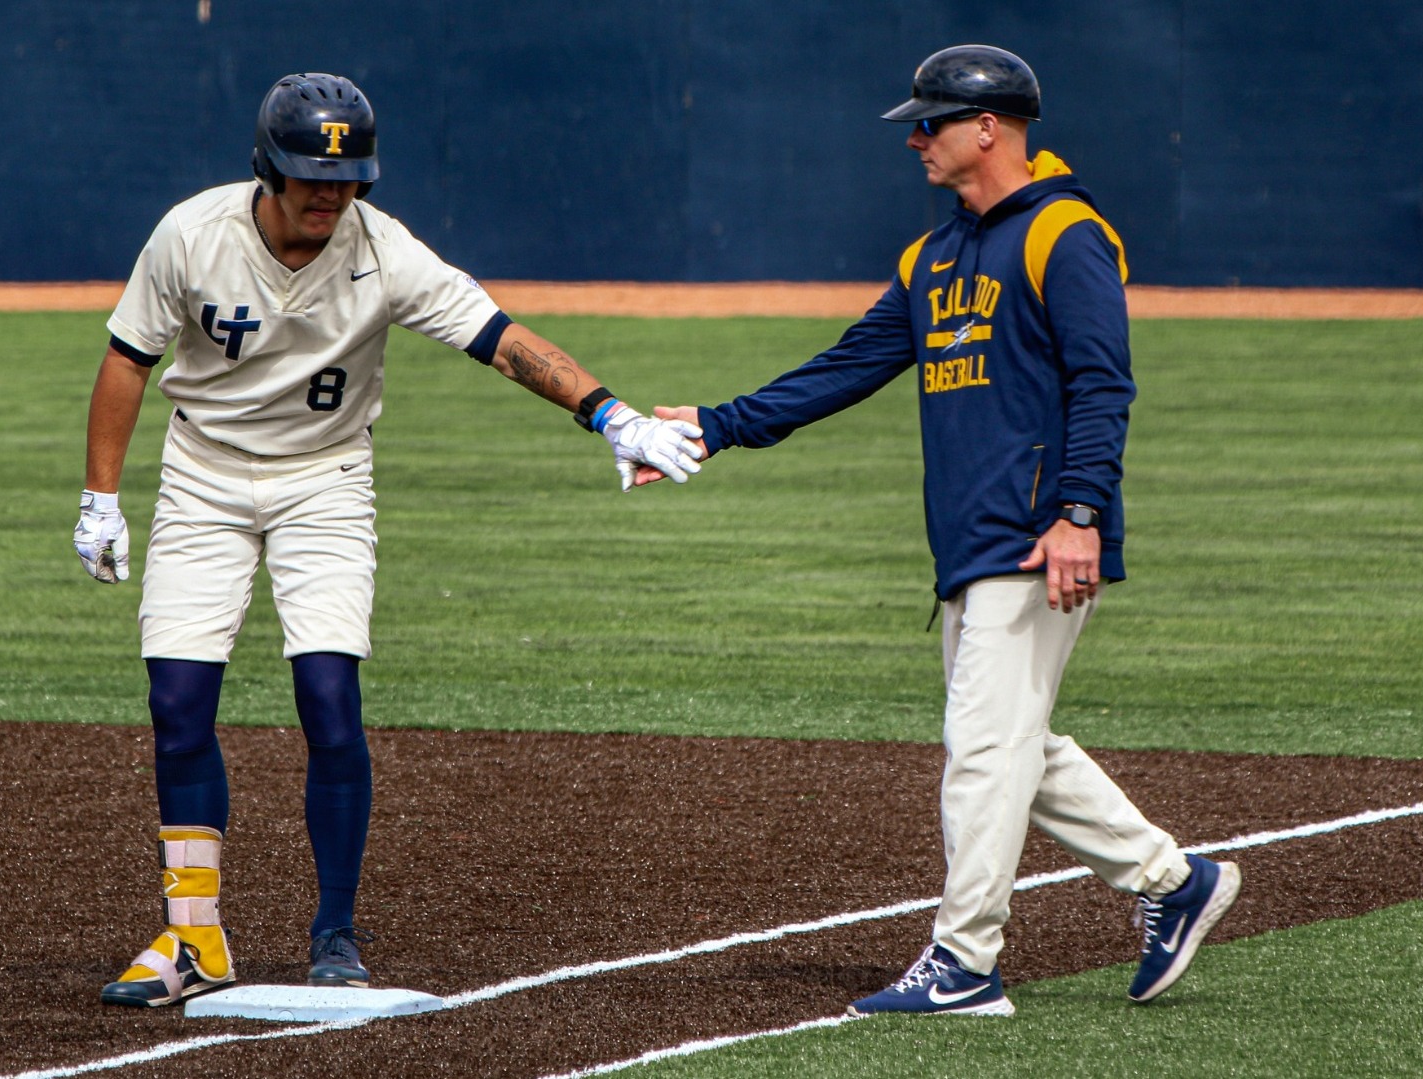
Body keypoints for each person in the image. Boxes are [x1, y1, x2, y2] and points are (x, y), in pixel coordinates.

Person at [74, 72, 704, 1009]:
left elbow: (499, 337)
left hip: (325, 477)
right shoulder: (191, 235)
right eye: (311, 177)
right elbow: (128, 359)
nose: (330, 196)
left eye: (347, 179)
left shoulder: (383, 250)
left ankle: (334, 929)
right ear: (267, 168)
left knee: (329, 697)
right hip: (203, 473)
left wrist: (610, 415)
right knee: (177, 701)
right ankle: (193, 936)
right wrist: (100, 498)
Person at [646, 45, 1240, 1016]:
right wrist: (716, 426)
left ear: (987, 128)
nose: (914, 139)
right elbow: (848, 364)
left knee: (982, 746)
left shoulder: (1065, 234)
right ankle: (1172, 881)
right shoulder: (931, 256)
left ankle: (964, 964)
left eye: (928, 123)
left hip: (1038, 535)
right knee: (1010, 740)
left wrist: (1080, 512)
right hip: (970, 542)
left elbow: (1102, 383)